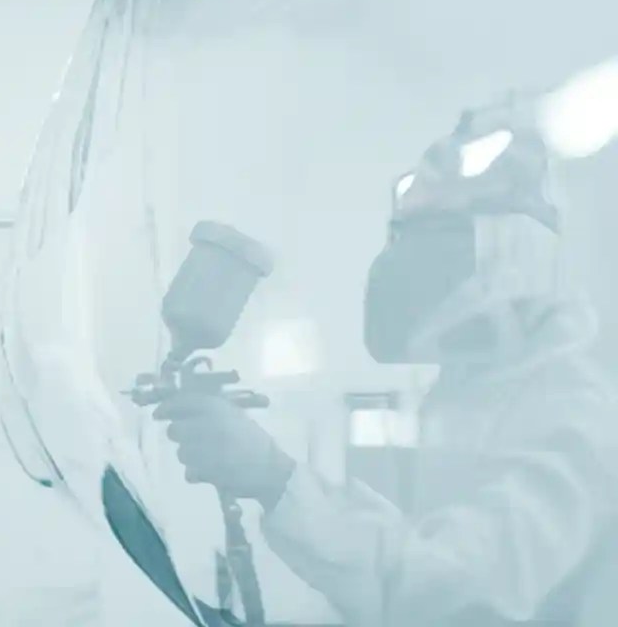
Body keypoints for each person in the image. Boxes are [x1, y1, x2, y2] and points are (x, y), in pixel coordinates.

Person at [153, 97, 618, 626]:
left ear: (513, 259)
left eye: (434, 243)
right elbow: (406, 556)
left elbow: (456, 590)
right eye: (402, 241)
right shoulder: (464, 390)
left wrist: (273, 476)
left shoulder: (577, 414)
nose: (402, 271)